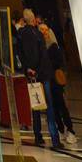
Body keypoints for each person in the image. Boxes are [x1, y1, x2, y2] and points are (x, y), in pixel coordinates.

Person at [17, 8, 62, 151]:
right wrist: (38, 69)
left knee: (36, 104)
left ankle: (38, 136)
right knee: (48, 105)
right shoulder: (38, 34)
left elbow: (21, 53)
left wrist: (28, 68)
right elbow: (42, 54)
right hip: (42, 74)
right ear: (33, 20)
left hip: (32, 75)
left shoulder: (21, 34)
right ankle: (54, 138)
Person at [39, 21, 77, 145]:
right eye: (41, 30)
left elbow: (59, 63)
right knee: (53, 107)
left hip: (55, 81)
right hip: (48, 80)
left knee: (61, 106)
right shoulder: (41, 48)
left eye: (45, 30)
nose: (44, 32)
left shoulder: (54, 47)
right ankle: (60, 129)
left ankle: (70, 130)